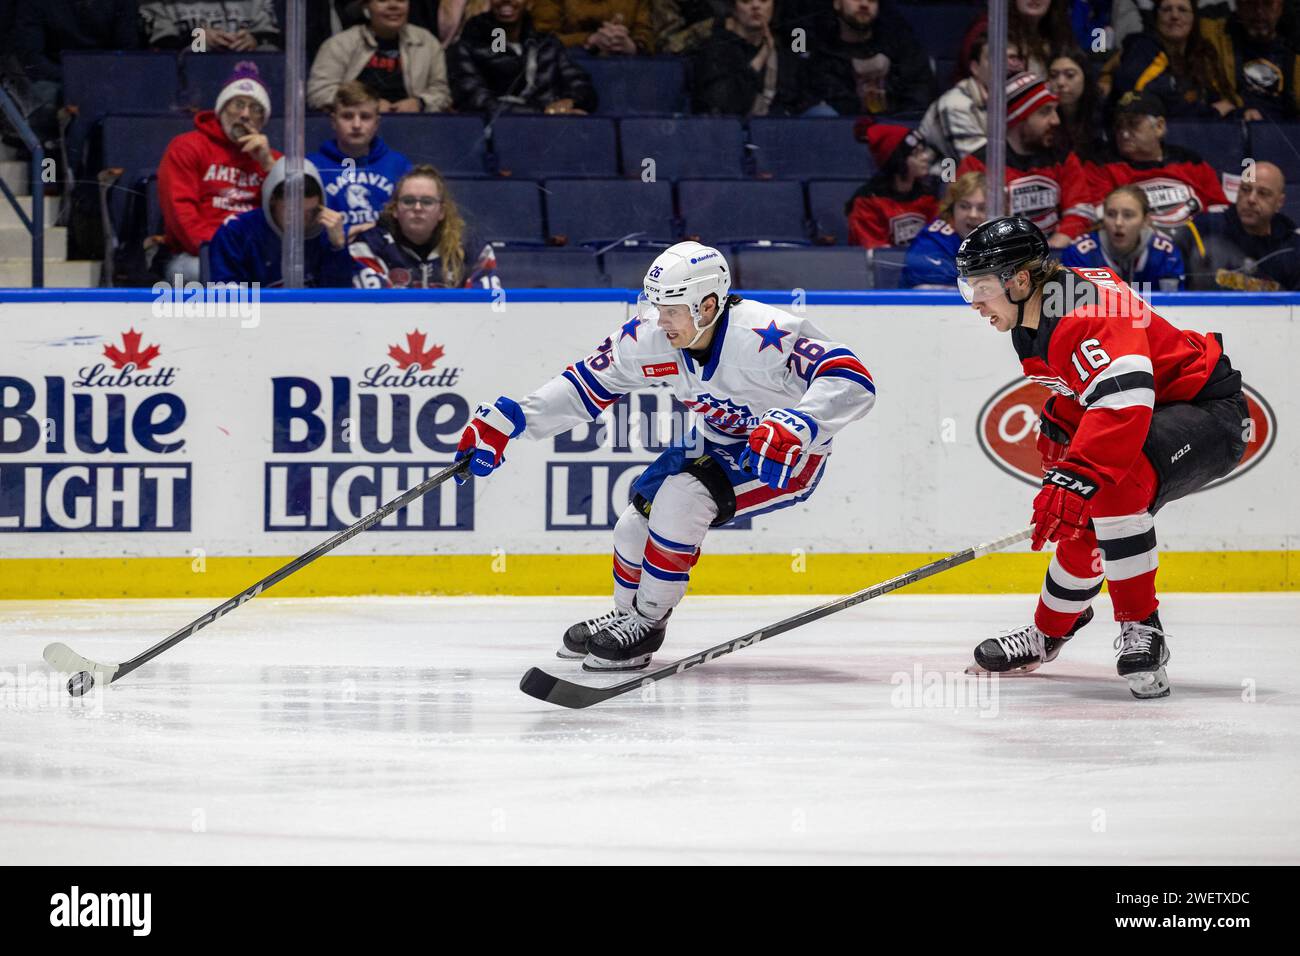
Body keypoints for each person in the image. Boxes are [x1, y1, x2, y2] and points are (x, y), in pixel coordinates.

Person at [454, 241, 875, 670]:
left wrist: (800, 422)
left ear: (708, 305)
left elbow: (852, 378)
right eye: (656, 305)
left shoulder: (765, 334)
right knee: (634, 522)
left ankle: (649, 623)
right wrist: (511, 421)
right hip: (715, 439)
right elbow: (586, 385)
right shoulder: (652, 336)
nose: (660, 319)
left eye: (672, 308)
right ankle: (627, 617)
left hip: (786, 454)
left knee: (681, 496)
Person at [956, 216, 1248, 698]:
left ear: (1021, 279)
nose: (975, 302)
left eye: (981, 287)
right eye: (967, 288)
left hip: (1209, 414)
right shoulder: (1032, 318)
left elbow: (1124, 400)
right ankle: (1048, 633)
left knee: (1111, 484)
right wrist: (1063, 422)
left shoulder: (1084, 313)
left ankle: (1142, 628)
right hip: (1160, 407)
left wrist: (1078, 473)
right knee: (1085, 514)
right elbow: (1089, 387)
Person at [156, 61, 280, 282]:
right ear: (221, 110)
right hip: (199, 253)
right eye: (237, 104)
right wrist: (226, 254)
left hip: (258, 257)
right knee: (195, 272)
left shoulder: (275, 160)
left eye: (255, 109)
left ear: (263, 120)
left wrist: (268, 166)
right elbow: (181, 217)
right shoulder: (187, 147)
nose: (245, 114)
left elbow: (290, 218)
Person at [957, 72, 1096, 248]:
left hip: (1053, 258)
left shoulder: (1063, 157)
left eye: (1055, 110)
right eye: (1045, 112)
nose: (1056, 120)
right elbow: (963, 221)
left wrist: (1058, 242)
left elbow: (1080, 208)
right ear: (1019, 117)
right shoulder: (978, 164)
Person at [1090, 90, 1229, 228]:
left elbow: (1219, 209)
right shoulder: (1103, 167)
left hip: (1197, 241)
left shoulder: (1190, 161)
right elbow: (1102, 216)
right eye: (1119, 126)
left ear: (1159, 127)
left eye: (1133, 124)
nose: (1124, 134)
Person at [207, 157, 355, 287]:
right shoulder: (237, 232)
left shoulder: (328, 232)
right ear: (271, 200)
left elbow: (339, 302)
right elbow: (227, 297)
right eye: (292, 211)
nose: (301, 221)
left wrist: (338, 248)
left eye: (310, 211)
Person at [348, 165, 500, 287]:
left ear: (441, 211)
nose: (417, 208)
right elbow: (374, 308)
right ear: (395, 209)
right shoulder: (372, 245)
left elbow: (483, 307)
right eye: (408, 201)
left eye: (427, 202)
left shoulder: (471, 247)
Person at [10, 0, 139, 145]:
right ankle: (48, 162)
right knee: (43, 100)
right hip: (56, 78)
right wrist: (72, 80)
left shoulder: (121, 4)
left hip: (107, 79)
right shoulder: (36, 3)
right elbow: (31, 56)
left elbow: (127, 53)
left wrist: (98, 82)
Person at [449, 0, 597, 115]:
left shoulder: (547, 45)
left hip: (551, 132)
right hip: (502, 134)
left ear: (530, 2)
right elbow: (477, 101)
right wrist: (544, 113)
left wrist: (570, 102)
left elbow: (581, 85)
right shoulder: (469, 46)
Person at [1174, 160, 1300, 289]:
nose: (1251, 199)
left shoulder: (1293, 248)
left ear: (1279, 202)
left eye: (1263, 193)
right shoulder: (1203, 229)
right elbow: (1166, 287)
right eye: (1245, 189)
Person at [308, 0, 453, 112]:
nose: (393, 5)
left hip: (414, 127)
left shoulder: (427, 42)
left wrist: (420, 103)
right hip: (355, 127)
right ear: (366, 7)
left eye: (401, 0)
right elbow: (319, 94)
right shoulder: (339, 44)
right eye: (383, 0)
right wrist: (366, 104)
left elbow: (441, 92)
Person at [307, 82, 413, 230]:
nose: (356, 125)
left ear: (376, 123)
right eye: (347, 116)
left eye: (365, 117)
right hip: (331, 251)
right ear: (333, 121)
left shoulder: (399, 166)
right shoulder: (312, 167)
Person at [1108, 0, 1237, 118]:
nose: (1174, 16)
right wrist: (1210, 113)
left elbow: (1219, 101)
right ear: (1156, 17)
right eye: (1166, 10)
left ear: (1194, 18)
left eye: (1182, 10)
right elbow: (1148, 105)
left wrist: (1241, 113)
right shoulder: (1141, 51)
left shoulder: (1202, 55)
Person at [805, 0, 935, 117]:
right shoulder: (821, 50)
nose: (864, 4)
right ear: (837, 3)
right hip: (836, 132)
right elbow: (810, 99)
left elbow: (920, 97)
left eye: (872, 0)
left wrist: (887, 98)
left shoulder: (902, 47)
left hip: (896, 131)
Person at [690, 0, 817, 116]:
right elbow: (721, 103)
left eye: (764, 0)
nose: (756, 6)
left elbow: (799, 101)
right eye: (746, 1)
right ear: (734, 8)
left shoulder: (784, 55)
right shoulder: (714, 50)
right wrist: (760, 58)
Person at [918, 34, 1027, 166]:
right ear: (975, 68)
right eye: (996, 57)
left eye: (1014, 58)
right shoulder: (955, 105)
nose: (1008, 64)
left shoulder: (1019, 100)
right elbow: (978, 163)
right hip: (945, 173)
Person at [1061, 184, 1185, 289]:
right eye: (1111, 214)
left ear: (1145, 220)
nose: (1118, 223)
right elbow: (1072, 307)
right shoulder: (1080, 253)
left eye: (1128, 215)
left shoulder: (1165, 253)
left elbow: (1174, 306)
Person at [846, 120, 940, 249]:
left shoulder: (928, 198)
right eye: (916, 154)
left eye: (923, 151)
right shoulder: (867, 203)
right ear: (897, 162)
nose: (925, 157)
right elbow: (873, 253)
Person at [1202, 0, 1300, 121]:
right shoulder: (1216, 38)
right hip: (1232, 129)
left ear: (1280, 7)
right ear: (1239, 6)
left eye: (1267, 4)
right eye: (1250, 3)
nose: (1259, 12)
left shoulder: (1294, 52)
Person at [901, 171, 987, 288]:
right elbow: (931, 291)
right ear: (952, 208)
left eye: (982, 208)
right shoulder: (933, 241)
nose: (973, 215)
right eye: (964, 206)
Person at [140, 0, 282, 49]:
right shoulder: (158, 3)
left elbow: (273, 40)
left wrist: (253, 41)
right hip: (187, 88)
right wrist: (200, 40)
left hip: (248, 86)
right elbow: (160, 48)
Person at [531, 0, 655, 53]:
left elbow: (645, 31)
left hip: (626, 72)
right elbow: (541, 39)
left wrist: (632, 46)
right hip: (565, 72)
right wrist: (590, 39)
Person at [1047, 47, 1103, 159]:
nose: (1060, 83)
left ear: (1086, 78)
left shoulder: (1104, 113)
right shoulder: (1041, 117)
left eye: (1070, 75)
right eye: (1053, 75)